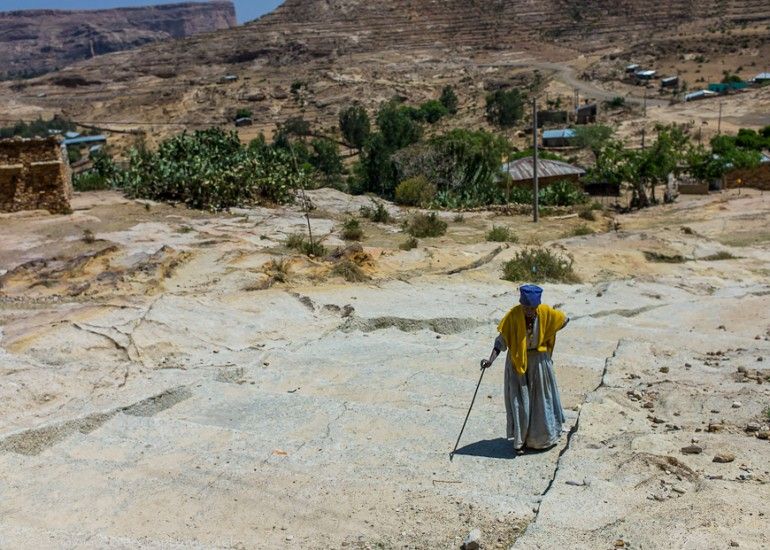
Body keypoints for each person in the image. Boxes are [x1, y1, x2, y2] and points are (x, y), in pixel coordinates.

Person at [480, 284, 569, 452]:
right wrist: (490, 360)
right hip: (517, 363)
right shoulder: (513, 316)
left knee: (541, 401)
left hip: (540, 363)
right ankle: (520, 441)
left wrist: (549, 332)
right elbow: (501, 340)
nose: (528, 311)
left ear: (537, 305)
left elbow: (563, 320)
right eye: (525, 307)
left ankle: (542, 439)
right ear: (521, 304)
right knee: (520, 402)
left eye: (532, 308)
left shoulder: (545, 312)